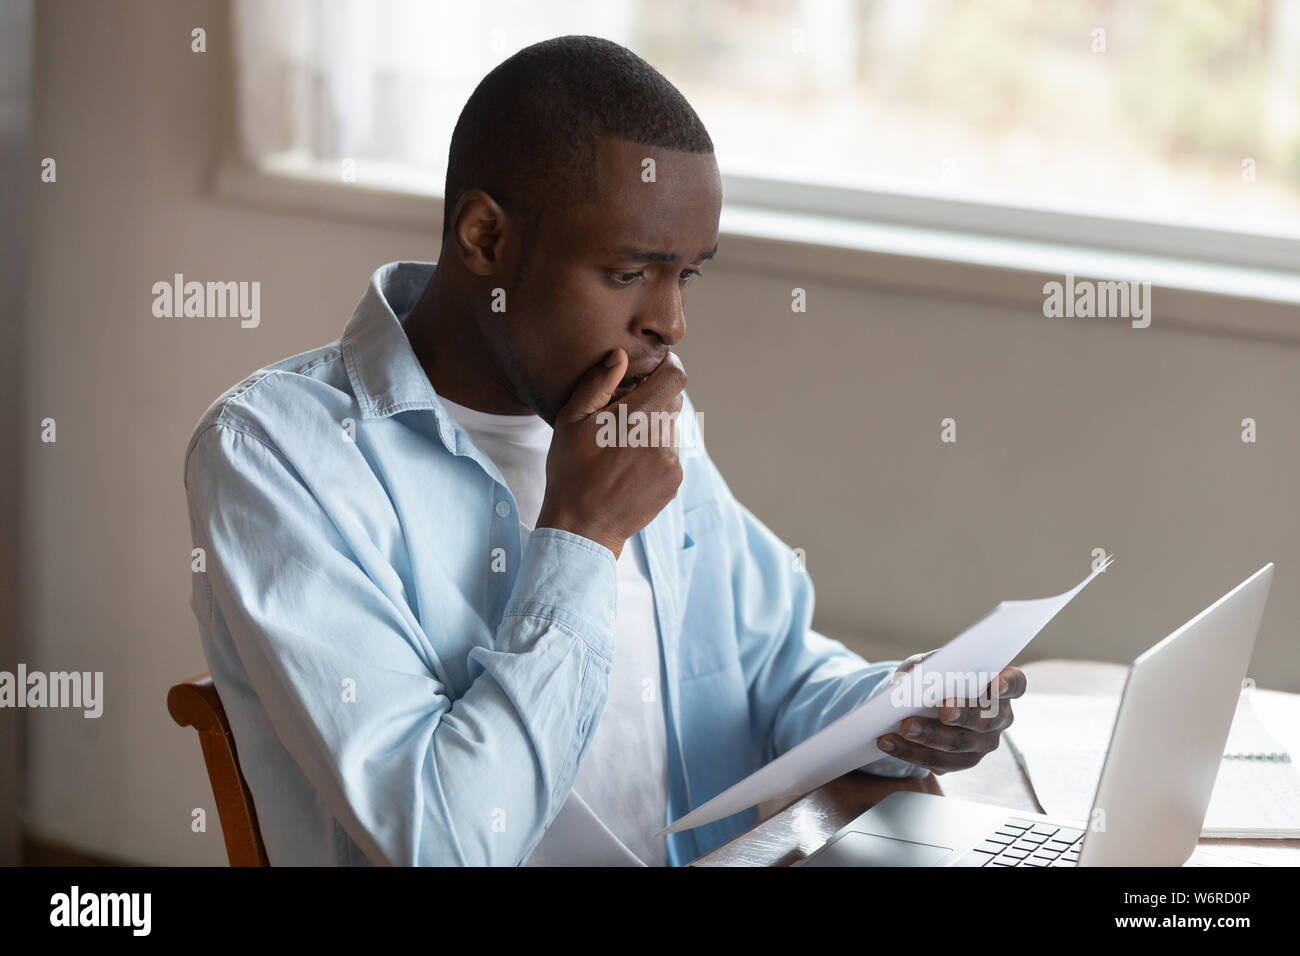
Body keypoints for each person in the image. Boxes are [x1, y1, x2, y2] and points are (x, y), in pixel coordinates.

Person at [183, 34, 1024, 867]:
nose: (671, 322)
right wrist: (584, 533)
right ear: (485, 239)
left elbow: (775, 675)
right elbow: (441, 844)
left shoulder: (640, 418)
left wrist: (905, 710)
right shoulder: (275, 456)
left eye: (687, 275)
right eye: (630, 274)